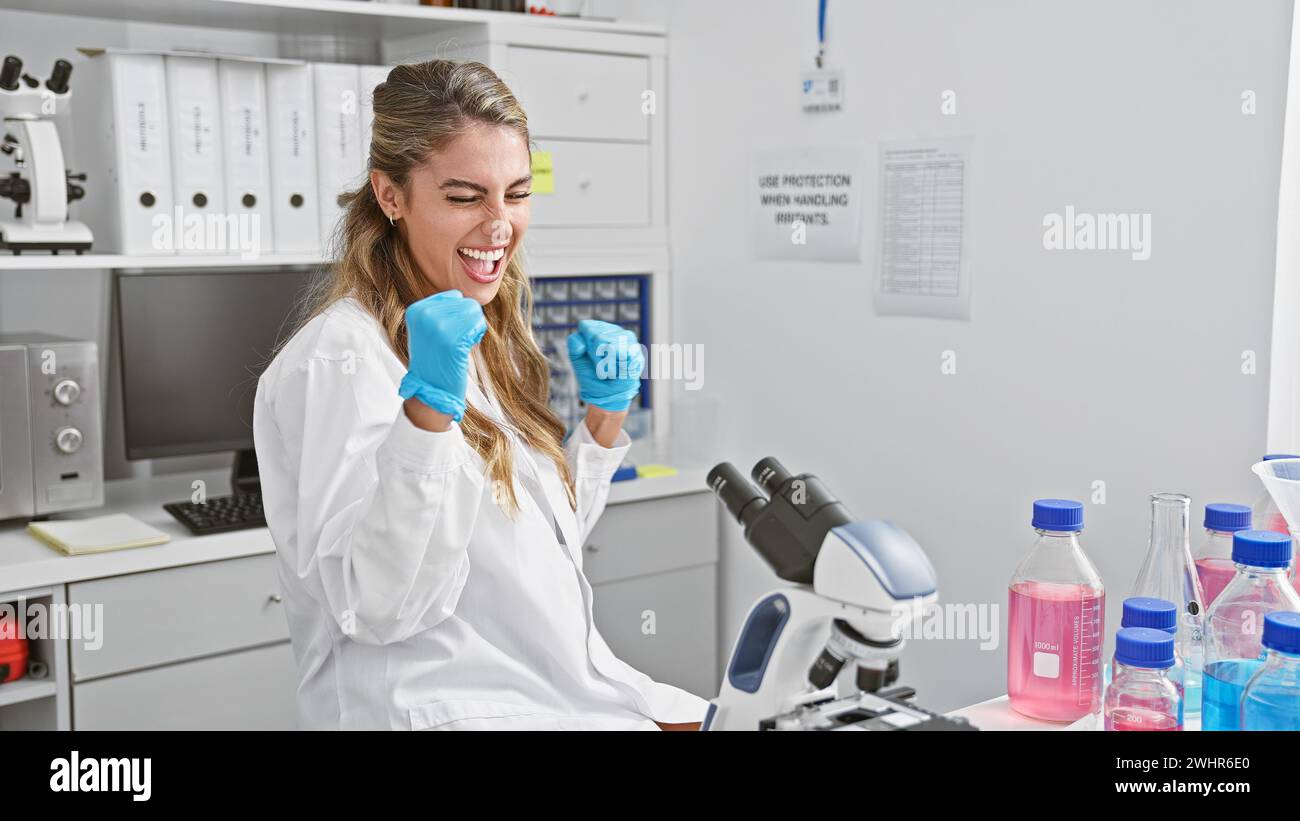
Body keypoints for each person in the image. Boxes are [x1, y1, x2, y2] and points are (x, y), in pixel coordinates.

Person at [253, 59, 709, 730]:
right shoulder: (336, 363)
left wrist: (603, 421)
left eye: (517, 193)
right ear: (391, 194)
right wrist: (427, 418)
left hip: (550, 697)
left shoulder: (472, 331)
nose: (500, 225)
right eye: (465, 197)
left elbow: (519, 548)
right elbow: (379, 602)